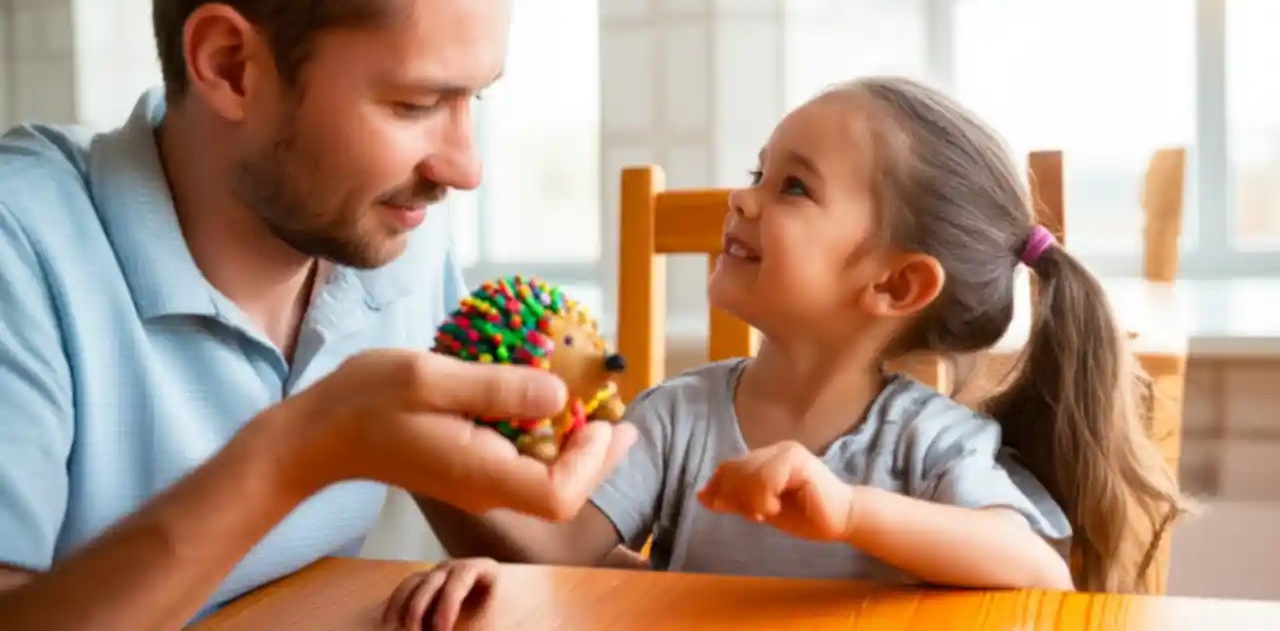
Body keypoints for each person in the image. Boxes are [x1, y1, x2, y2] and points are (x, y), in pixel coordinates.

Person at [0, 0, 635, 629]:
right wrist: (296, 452)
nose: (465, 167)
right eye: (416, 104)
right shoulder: (20, 248)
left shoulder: (390, 231)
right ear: (231, 65)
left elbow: (522, 531)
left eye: (474, 98)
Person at [396, 77, 1191, 630]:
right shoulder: (675, 417)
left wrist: (848, 511)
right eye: (758, 172)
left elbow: (1039, 573)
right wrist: (489, 560)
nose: (743, 197)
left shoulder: (931, 442)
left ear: (898, 283)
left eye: (794, 188)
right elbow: (562, 552)